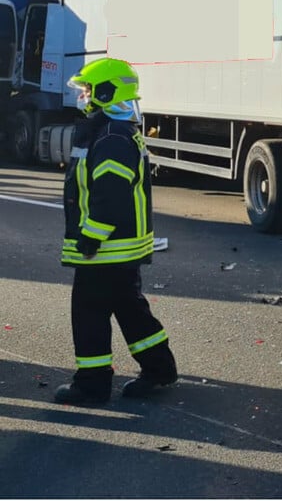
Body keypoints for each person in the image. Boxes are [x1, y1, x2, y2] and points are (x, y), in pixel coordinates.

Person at [54, 57, 177, 404]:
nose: (82, 96)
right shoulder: (114, 133)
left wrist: (91, 237)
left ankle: (91, 386)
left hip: (106, 248)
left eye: (87, 90)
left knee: (89, 313)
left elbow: (110, 197)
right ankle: (159, 368)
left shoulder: (109, 138)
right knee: (129, 308)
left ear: (106, 93)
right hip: (120, 248)